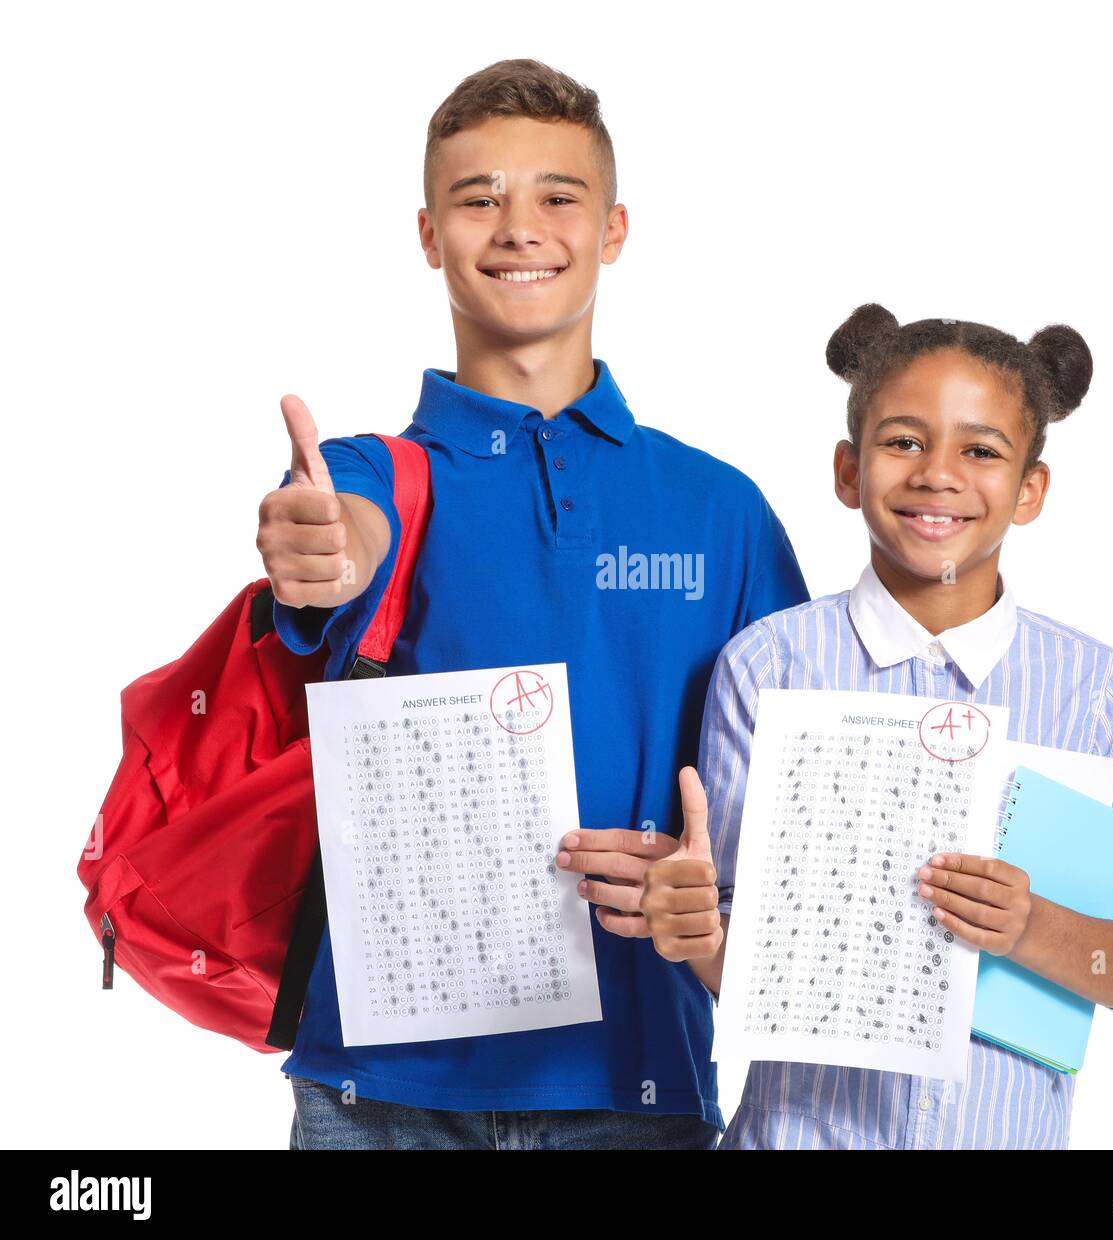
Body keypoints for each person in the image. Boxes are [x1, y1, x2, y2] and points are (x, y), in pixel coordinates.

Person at [257, 59, 808, 1150]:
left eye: (556, 195)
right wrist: (325, 542)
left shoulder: (720, 509)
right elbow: (338, 534)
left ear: (611, 229)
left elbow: (791, 794)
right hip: (380, 1092)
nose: (519, 227)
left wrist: (711, 892)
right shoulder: (372, 475)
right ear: (428, 234)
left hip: (635, 1082)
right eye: (479, 198)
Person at [640, 303, 1113, 1149]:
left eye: (981, 450)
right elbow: (737, 955)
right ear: (848, 471)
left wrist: (1034, 928)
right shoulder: (770, 666)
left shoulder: (1093, 692)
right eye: (904, 441)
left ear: (1030, 489)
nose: (937, 474)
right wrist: (693, 933)